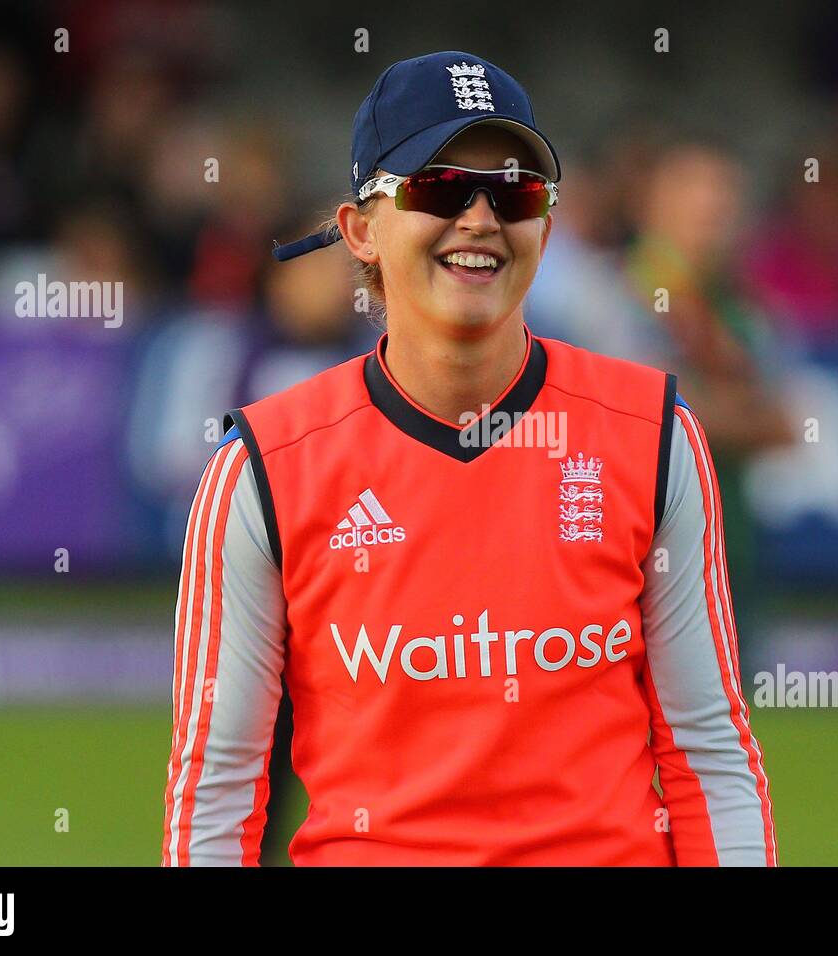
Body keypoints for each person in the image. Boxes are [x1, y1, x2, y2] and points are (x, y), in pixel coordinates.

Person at [162, 51, 777, 866]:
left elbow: (707, 752)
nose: (482, 218)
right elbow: (221, 786)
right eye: (440, 188)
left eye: (516, 191)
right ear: (360, 230)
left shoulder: (653, 431)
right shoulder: (263, 467)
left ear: (546, 229)